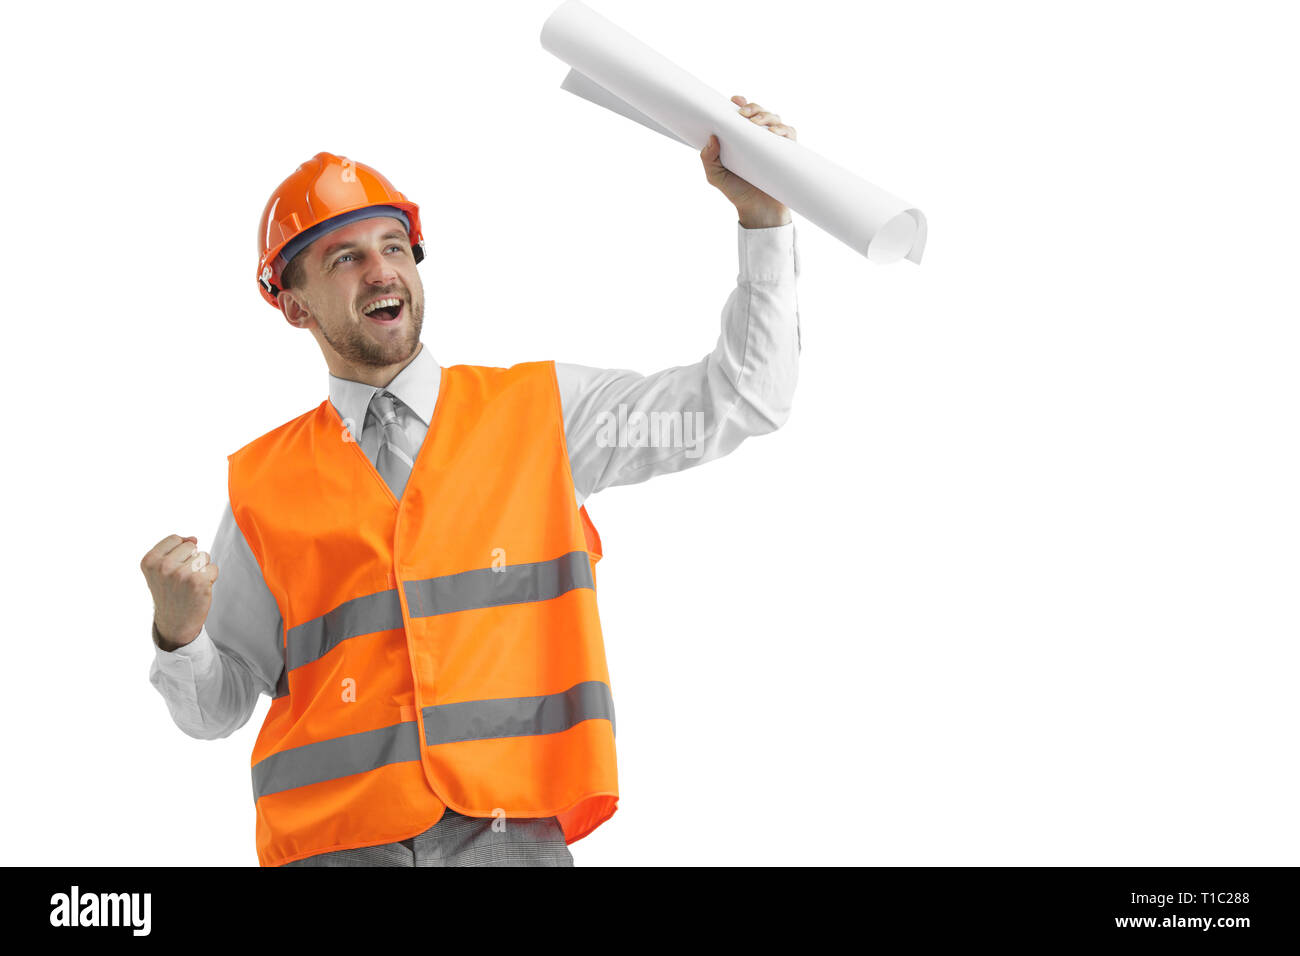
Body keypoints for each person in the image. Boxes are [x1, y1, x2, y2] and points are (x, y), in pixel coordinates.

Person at [141, 95, 802, 866]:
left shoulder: (544, 414)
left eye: (394, 246)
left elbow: (744, 397)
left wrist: (763, 222)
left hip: (508, 836)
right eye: (344, 257)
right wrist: (177, 635)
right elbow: (217, 707)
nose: (382, 269)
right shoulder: (265, 482)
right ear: (293, 305)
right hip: (333, 847)